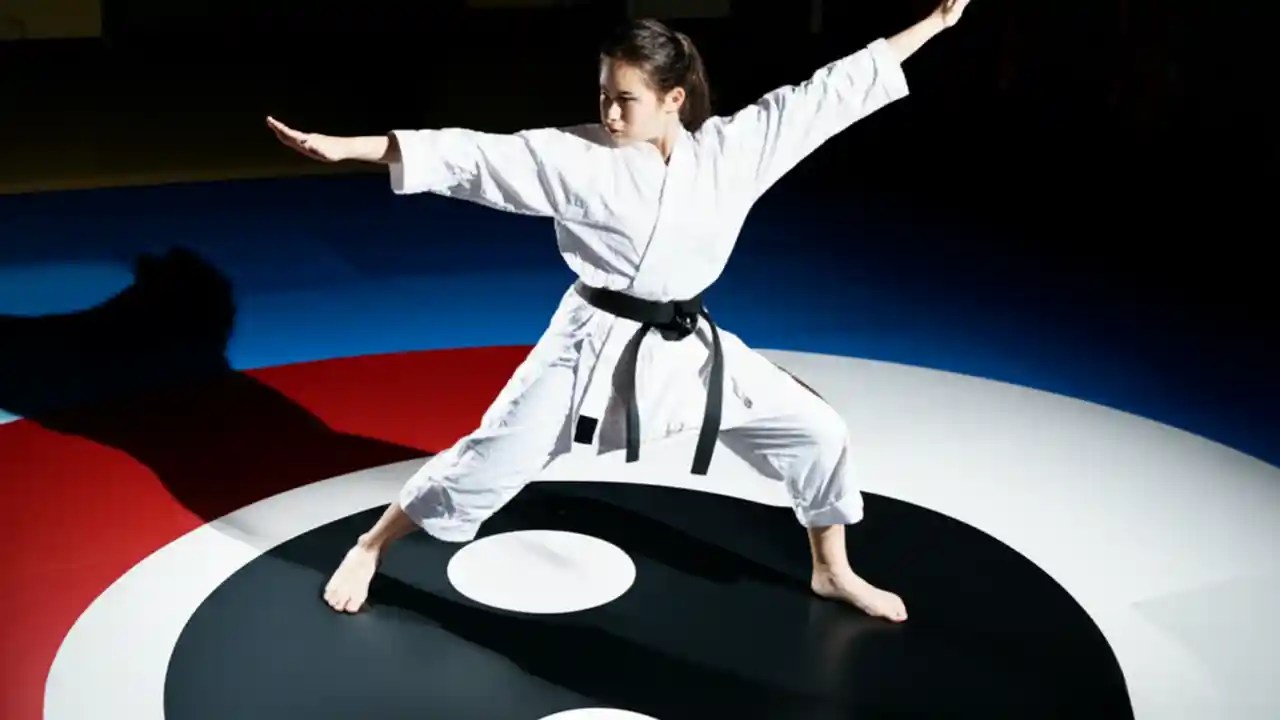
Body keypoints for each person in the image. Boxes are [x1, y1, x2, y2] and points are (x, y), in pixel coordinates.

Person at [268, 0, 971, 624]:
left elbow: (828, 93)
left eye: (625, 99)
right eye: (603, 94)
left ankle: (831, 568)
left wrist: (935, 23)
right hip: (590, 347)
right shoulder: (579, 157)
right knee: (489, 463)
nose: (608, 113)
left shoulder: (733, 150)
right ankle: (371, 544)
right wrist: (346, 147)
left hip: (688, 344)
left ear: (672, 99)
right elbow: (470, 156)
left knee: (817, 430)